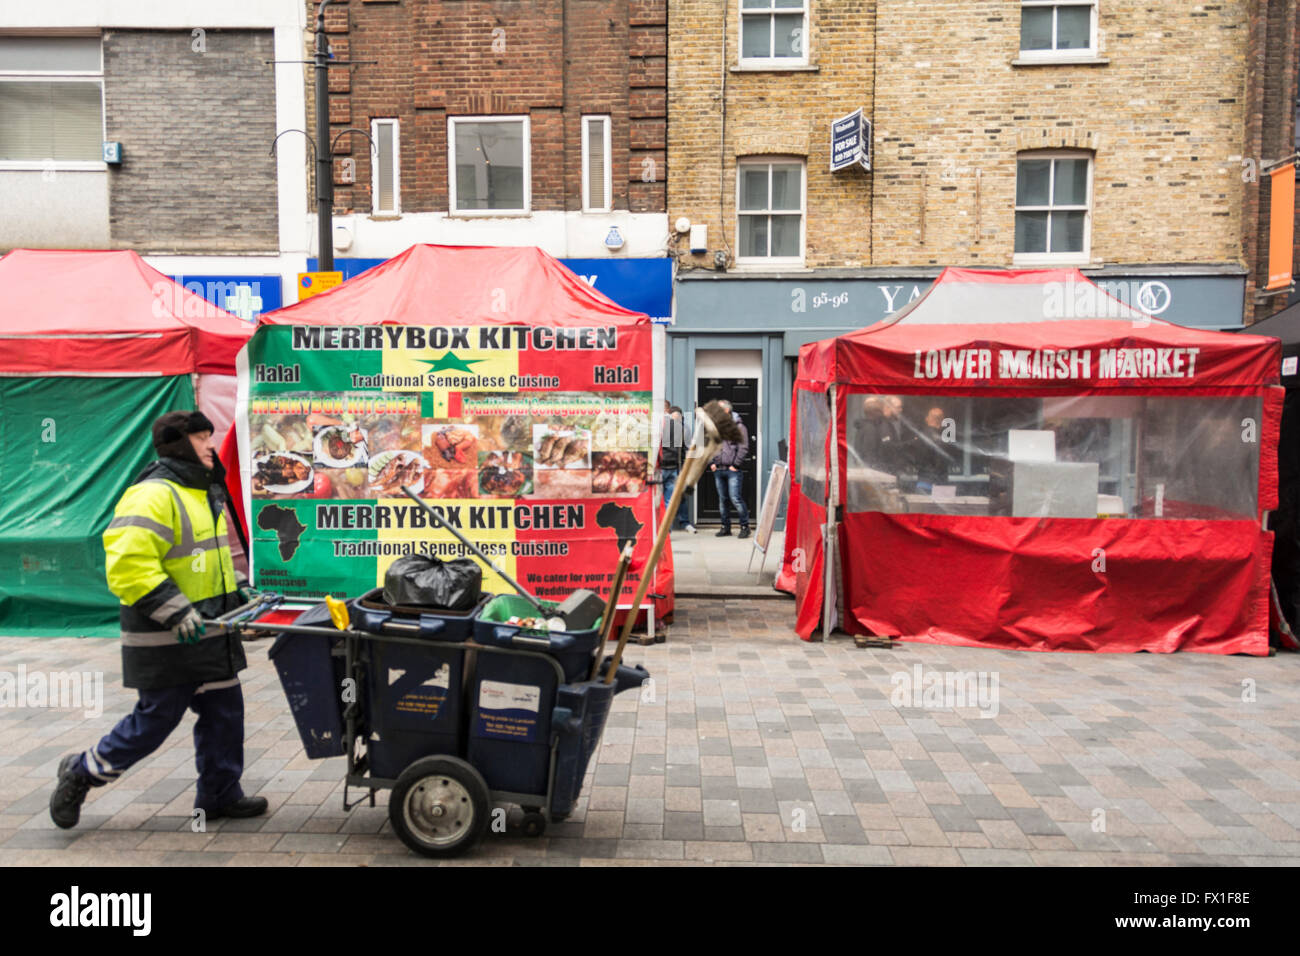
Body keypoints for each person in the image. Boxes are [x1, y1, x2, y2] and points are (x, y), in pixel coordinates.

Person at [50, 410, 267, 829]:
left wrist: (239, 586)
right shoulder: (153, 494)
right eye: (202, 438)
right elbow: (128, 565)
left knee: (225, 713)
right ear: (180, 443)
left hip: (209, 630)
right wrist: (176, 609)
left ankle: (220, 795)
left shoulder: (202, 491)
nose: (210, 445)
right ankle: (82, 771)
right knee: (154, 721)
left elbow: (205, 559)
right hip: (167, 635)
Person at [709, 399, 751, 538]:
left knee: (735, 499)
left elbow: (743, 448)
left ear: (726, 410)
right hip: (718, 470)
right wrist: (712, 463)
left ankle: (745, 527)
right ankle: (725, 527)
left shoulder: (739, 427)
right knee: (723, 500)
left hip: (733, 470)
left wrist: (736, 465)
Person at [659, 404, 696, 533]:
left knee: (664, 499)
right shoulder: (678, 427)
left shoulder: (659, 426)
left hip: (665, 467)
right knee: (668, 500)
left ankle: (662, 529)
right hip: (671, 466)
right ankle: (666, 530)